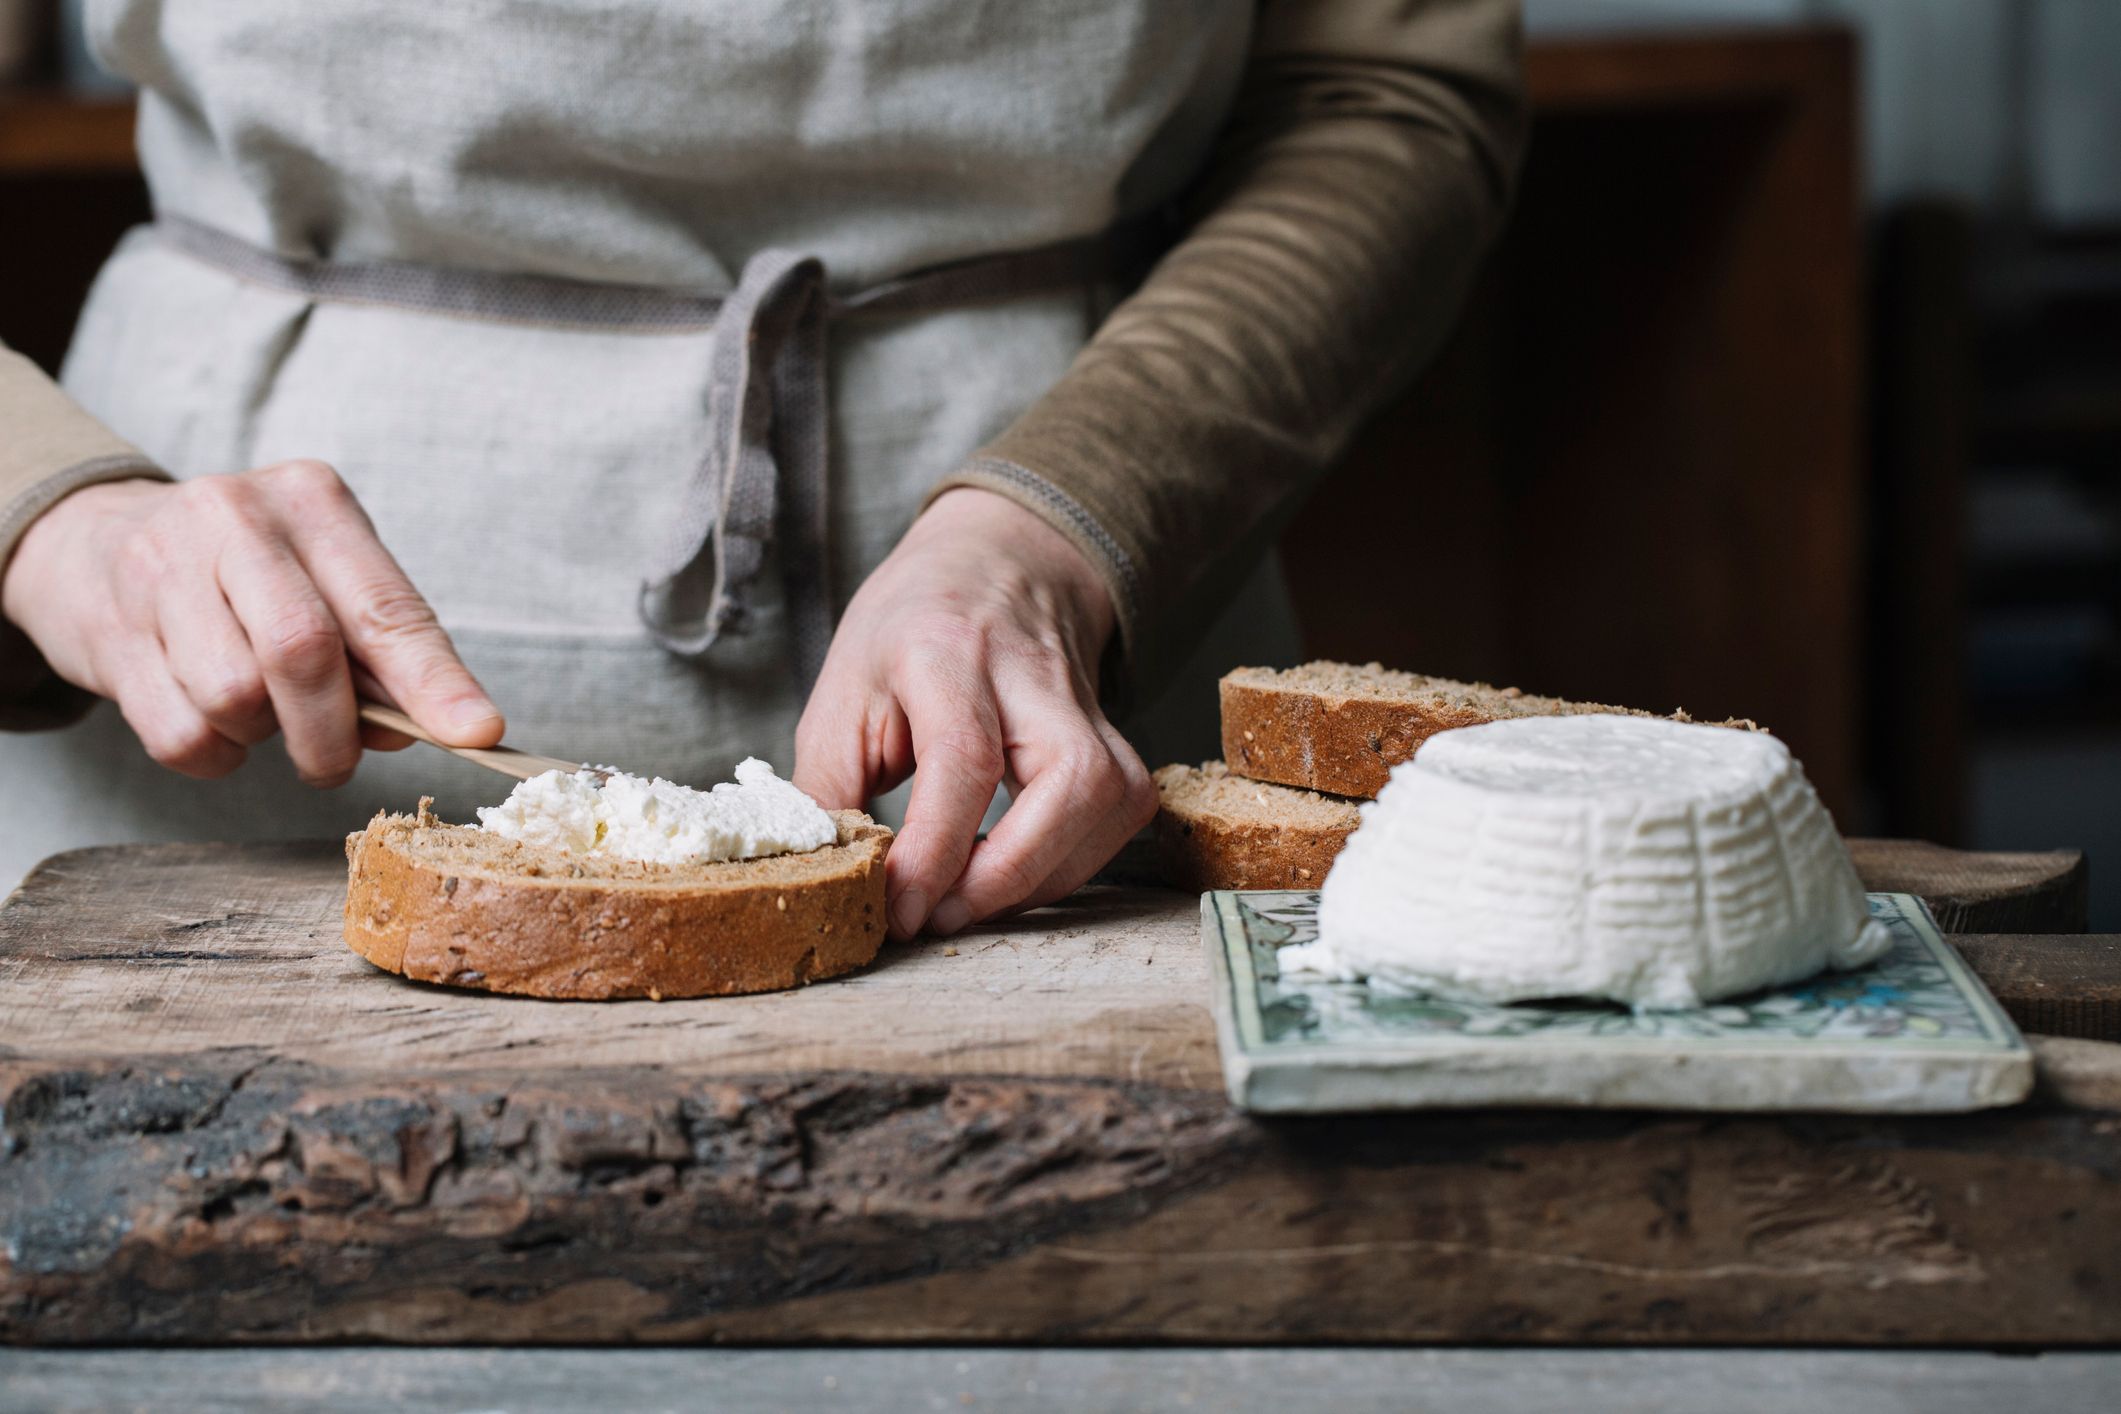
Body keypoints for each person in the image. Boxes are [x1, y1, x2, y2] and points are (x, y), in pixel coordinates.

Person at [0, 0, 1523, 937]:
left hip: (1079, 755)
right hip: (185, 791)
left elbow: (1378, 93)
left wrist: (1064, 525)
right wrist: (50, 512)